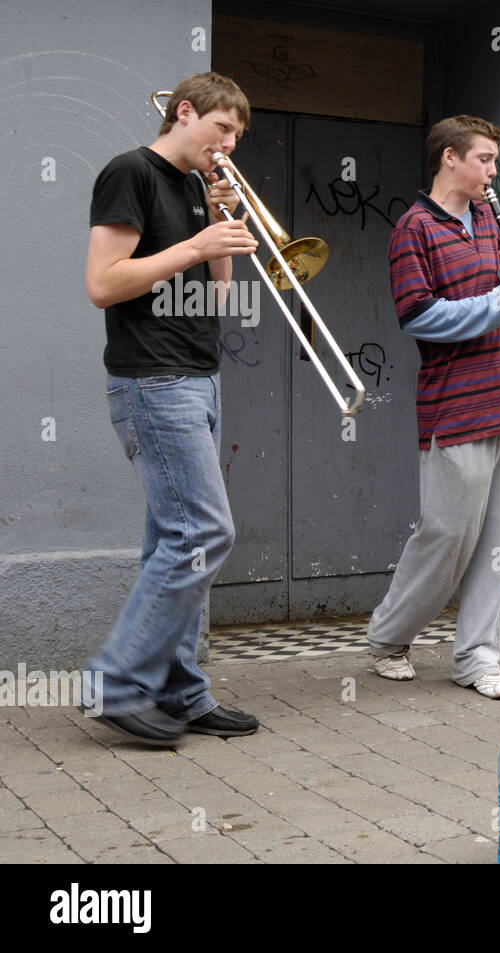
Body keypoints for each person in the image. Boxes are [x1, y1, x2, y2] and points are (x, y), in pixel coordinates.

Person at [84, 72, 261, 745]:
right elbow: (102, 283)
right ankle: (118, 681)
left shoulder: (195, 188)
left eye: (238, 136)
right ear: (184, 113)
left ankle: (182, 690)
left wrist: (219, 228)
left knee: (172, 537)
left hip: (197, 375)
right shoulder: (130, 173)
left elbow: (215, 295)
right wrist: (193, 244)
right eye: (222, 129)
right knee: (204, 533)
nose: (230, 145)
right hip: (153, 381)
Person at [366, 115, 500, 699]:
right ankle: (390, 637)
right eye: (484, 160)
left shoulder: (490, 218)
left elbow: (499, 291)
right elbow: (420, 316)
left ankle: (476, 657)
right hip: (455, 405)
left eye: (494, 161)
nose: (494, 172)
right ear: (449, 158)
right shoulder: (412, 229)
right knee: (446, 534)